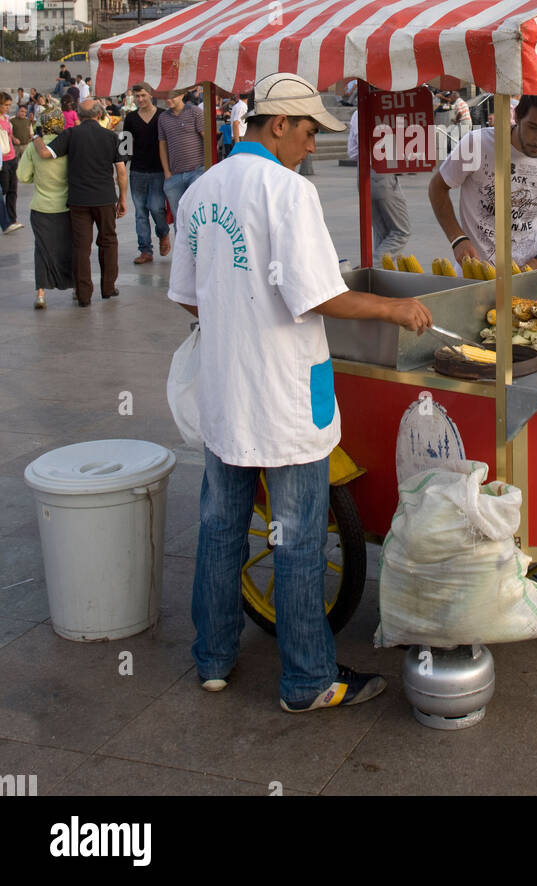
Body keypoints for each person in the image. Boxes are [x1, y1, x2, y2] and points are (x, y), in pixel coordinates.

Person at [167, 73, 432, 711]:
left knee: (221, 526)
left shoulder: (199, 192)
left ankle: (212, 658)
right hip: (283, 396)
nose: (312, 146)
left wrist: (239, 318)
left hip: (225, 390)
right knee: (297, 536)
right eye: (309, 131)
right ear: (278, 124)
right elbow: (320, 296)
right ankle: (309, 679)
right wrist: (395, 311)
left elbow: (188, 298)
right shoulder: (287, 193)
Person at [428, 90, 537, 270]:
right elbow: (437, 187)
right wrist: (457, 238)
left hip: (527, 277)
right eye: (533, 127)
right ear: (517, 116)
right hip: (473, 273)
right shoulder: (477, 144)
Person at [32, 99, 128, 305]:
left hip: (78, 200)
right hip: (104, 198)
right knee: (108, 241)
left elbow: (44, 153)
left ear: (79, 115)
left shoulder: (71, 134)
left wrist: (35, 137)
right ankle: (108, 287)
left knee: (81, 247)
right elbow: (121, 171)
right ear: (99, 114)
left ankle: (84, 295)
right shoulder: (112, 137)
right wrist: (122, 198)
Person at [17, 106, 73, 309]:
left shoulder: (34, 147)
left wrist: (36, 177)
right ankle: (75, 288)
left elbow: (23, 176)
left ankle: (40, 294)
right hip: (67, 207)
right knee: (69, 247)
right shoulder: (67, 145)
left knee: (42, 249)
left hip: (41, 208)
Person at [347, 107, 411, 261]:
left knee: (382, 233)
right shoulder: (383, 113)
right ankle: (372, 267)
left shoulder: (358, 113)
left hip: (363, 173)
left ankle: (378, 277)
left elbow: (352, 152)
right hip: (382, 171)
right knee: (401, 231)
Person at [123, 83, 170, 264]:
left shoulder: (162, 116)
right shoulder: (130, 119)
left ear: (150, 95)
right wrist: (120, 166)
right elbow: (124, 145)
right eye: (137, 97)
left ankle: (163, 232)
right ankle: (145, 250)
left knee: (157, 207)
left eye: (143, 95)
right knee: (140, 212)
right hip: (137, 171)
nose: (140, 100)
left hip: (158, 170)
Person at [158, 90, 206, 220]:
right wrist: (167, 173)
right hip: (174, 175)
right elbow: (162, 145)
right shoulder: (163, 118)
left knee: (198, 216)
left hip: (197, 172)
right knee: (179, 219)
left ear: (181, 95)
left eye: (172, 96)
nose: (168, 100)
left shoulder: (195, 111)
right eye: (166, 97)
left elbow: (206, 138)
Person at [0, 92, 21, 226]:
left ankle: (12, 219)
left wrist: (14, 139)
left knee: (13, 190)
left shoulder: (7, 119)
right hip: (3, 160)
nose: (8, 108)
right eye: (5, 105)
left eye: (9, 105)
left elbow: (9, 136)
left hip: (12, 157)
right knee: (5, 189)